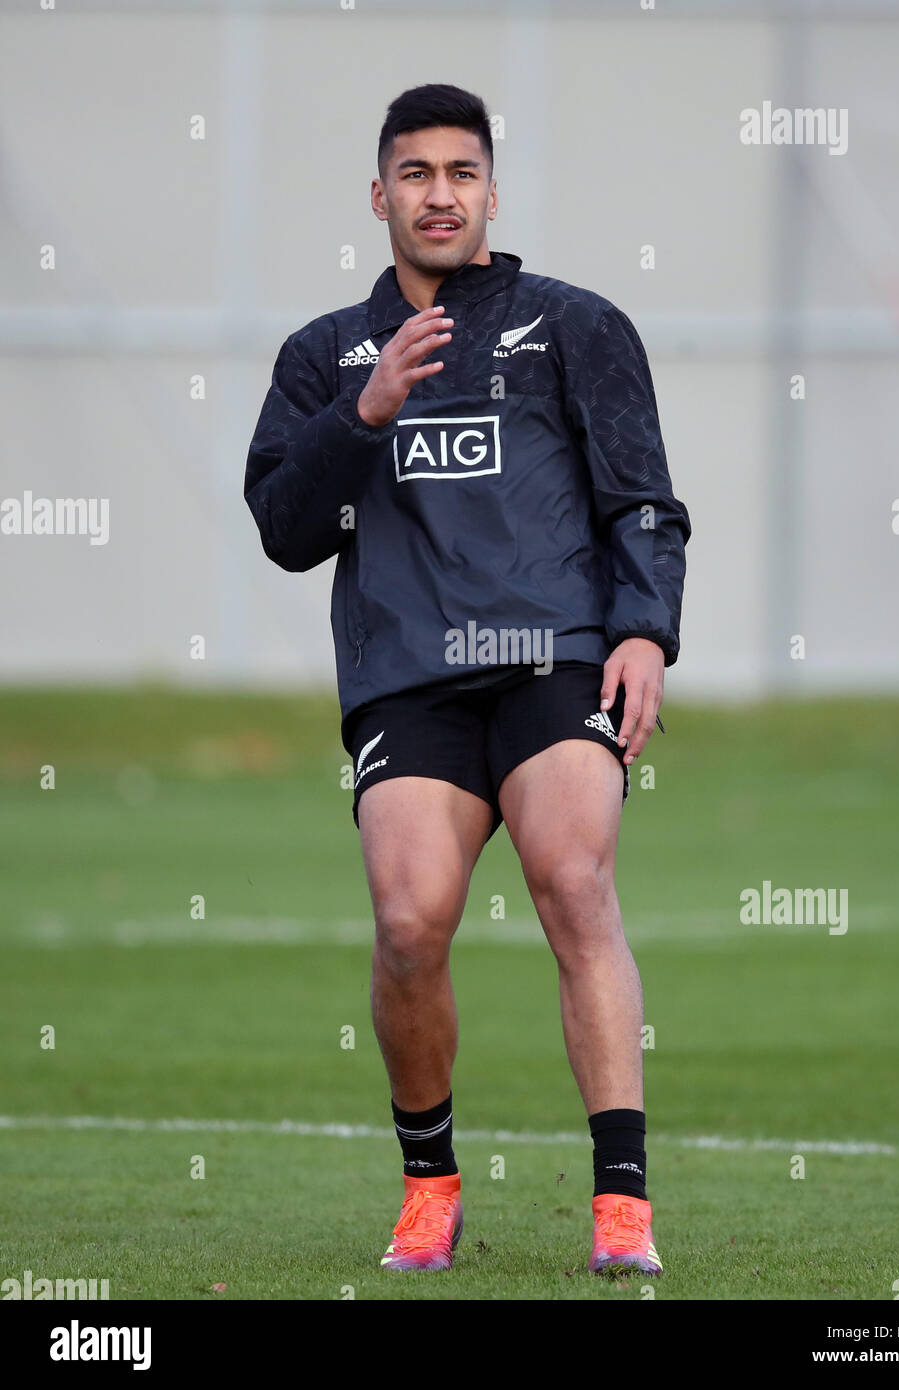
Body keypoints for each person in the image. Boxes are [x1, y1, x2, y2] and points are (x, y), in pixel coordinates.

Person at [245, 83, 691, 1278]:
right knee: (406, 925)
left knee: (573, 876)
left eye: (460, 171)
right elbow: (286, 528)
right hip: (407, 677)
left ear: (491, 189)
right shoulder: (322, 355)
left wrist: (643, 631)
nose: (437, 193)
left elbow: (641, 500)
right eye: (414, 172)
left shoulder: (576, 326)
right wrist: (366, 408)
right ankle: (430, 1185)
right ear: (378, 194)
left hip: (553, 659)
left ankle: (621, 1209)